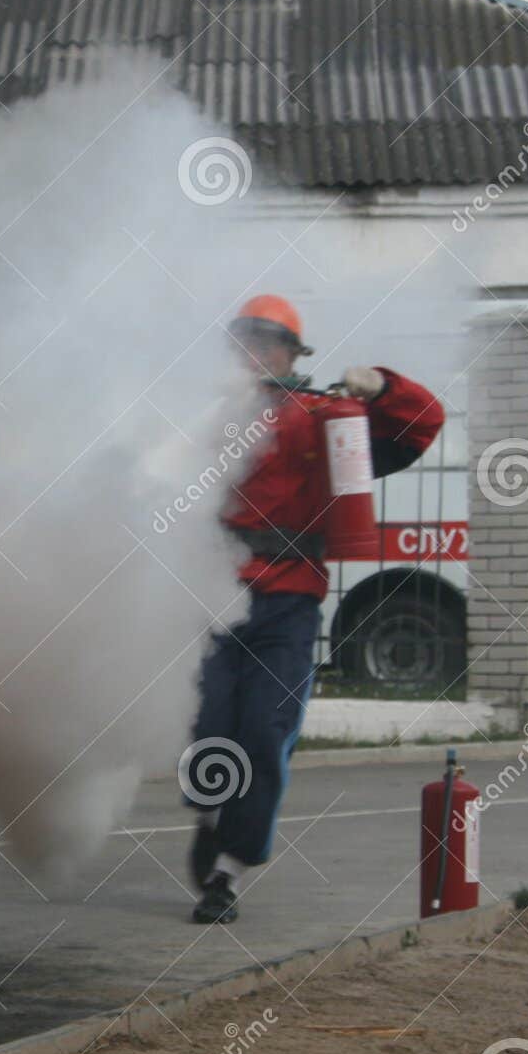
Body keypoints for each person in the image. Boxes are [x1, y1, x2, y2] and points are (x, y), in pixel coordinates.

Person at [187, 295, 445, 924]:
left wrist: (381, 386)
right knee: (208, 731)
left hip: (289, 601)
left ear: (290, 354)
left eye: (266, 344)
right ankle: (211, 816)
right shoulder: (207, 419)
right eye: (243, 343)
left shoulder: (327, 418)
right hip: (213, 595)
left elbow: (422, 423)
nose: (253, 356)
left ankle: (228, 872)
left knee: (265, 732)